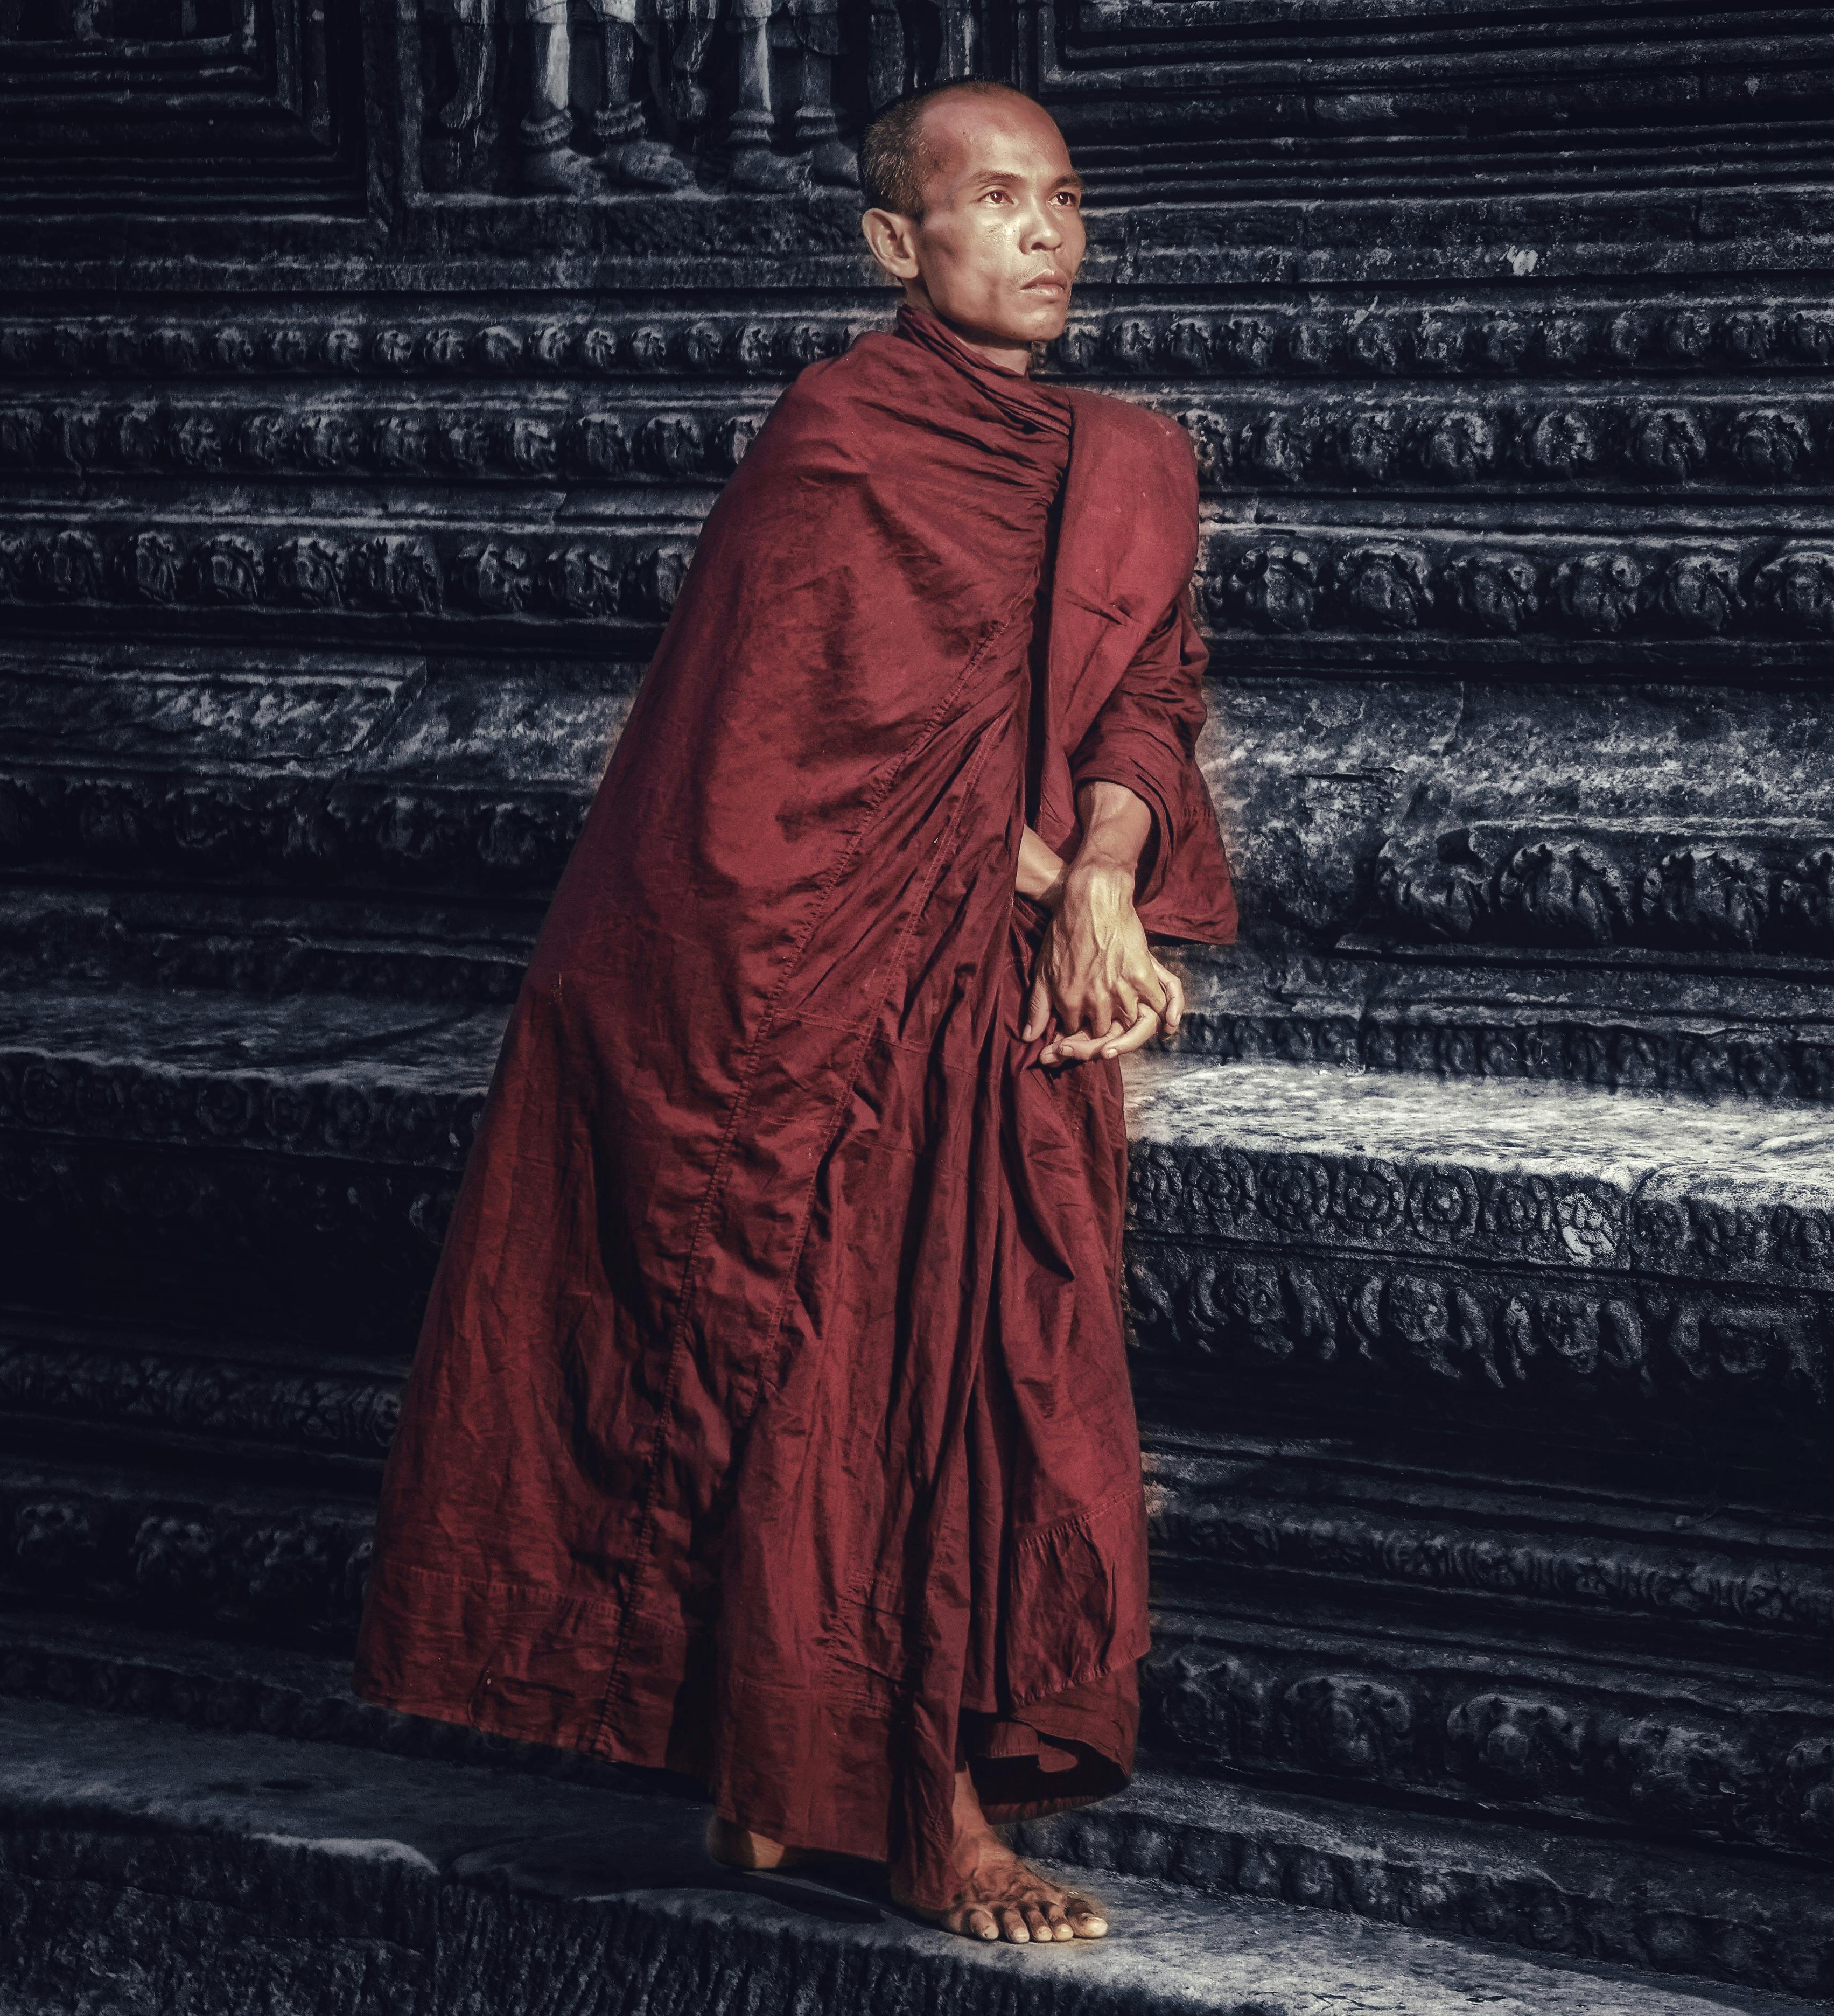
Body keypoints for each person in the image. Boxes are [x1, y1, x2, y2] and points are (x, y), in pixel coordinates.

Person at [352, 78, 1236, 1947]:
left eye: (1066, 199)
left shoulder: (1130, 458)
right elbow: (779, 760)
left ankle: (799, 1771)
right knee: (851, 1368)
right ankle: (924, 1810)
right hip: (828, 986)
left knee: (996, 1368)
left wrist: (1098, 880)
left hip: (1019, 974)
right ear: (895, 246)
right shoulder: (840, 437)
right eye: (995, 201)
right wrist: (1030, 889)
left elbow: (1149, 699)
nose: (1046, 234)